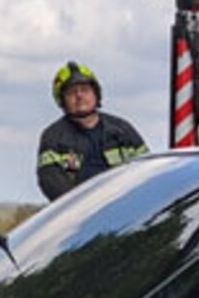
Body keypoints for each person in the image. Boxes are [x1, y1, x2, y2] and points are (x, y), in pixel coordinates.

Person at [36, 61, 150, 201]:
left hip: (125, 209)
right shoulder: (54, 137)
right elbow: (51, 181)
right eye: (72, 92)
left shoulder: (122, 130)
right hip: (81, 216)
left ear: (96, 94)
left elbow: (146, 171)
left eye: (85, 90)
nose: (79, 96)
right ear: (62, 100)